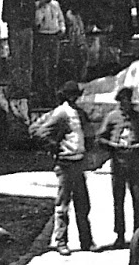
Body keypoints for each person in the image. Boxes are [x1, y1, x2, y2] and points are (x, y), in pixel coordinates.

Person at [32, 81, 95, 255]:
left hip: (79, 163)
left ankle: (86, 241)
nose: (75, 98)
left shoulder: (80, 113)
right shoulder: (61, 113)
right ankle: (61, 241)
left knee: (83, 204)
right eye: (72, 95)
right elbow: (39, 132)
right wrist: (54, 147)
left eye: (76, 95)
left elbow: (88, 135)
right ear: (66, 96)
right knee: (63, 205)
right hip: (66, 164)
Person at [100, 85, 139, 249]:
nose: (123, 106)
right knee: (118, 200)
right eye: (121, 103)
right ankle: (119, 235)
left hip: (134, 163)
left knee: (137, 198)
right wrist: (112, 145)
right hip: (118, 163)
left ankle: (137, 235)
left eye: (126, 102)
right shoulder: (112, 118)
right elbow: (100, 138)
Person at [33, 0, 66, 101]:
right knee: (44, 64)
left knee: (54, 63)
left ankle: (54, 88)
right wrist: (41, 7)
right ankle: (44, 90)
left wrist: (62, 29)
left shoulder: (56, 5)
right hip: (43, 36)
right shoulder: (38, 5)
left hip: (54, 35)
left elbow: (61, 19)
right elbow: (37, 21)